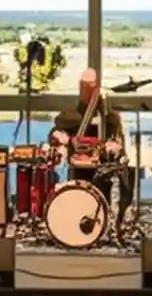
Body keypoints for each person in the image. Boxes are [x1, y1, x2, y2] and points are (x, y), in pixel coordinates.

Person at [49, 69, 131, 221]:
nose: (88, 92)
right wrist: (60, 137)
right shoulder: (70, 115)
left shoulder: (110, 117)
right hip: (78, 166)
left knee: (122, 174)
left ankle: (116, 216)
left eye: (92, 88)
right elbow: (54, 133)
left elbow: (118, 142)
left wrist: (115, 147)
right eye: (85, 87)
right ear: (80, 88)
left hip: (101, 167)